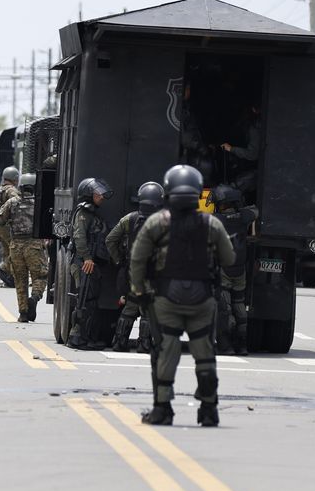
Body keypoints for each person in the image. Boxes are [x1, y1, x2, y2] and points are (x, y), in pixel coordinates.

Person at [129, 165, 235, 427]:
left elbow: (138, 259)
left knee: (166, 350)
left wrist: (139, 291)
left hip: (166, 298)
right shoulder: (212, 224)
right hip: (203, 299)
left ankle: (162, 409)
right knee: (204, 353)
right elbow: (229, 258)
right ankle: (209, 409)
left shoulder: (157, 222)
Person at [106, 182, 165, 352]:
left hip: (132, 270)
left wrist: (119, 260)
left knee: (131, 305)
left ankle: (119, 342)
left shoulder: (129, 219)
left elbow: (110, 240)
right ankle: (144, 344)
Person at [66, 177, 113, 350]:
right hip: (83, 262)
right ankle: (77, 338)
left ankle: (84, 337)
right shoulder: (83, 213)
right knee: (84, 300)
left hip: (89, 261)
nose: (101, 197)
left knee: (90, 300)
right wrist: (86, 257)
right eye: (97, 194)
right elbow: (79, 236)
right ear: (88, 194)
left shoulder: (92, 213)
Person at [211, 184, 257, 356]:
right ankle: (242, 346)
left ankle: (226, 346)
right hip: (240, 271)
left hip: (224, 270)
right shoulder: (244, 217)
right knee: (239, 306)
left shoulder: (216, 220)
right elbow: (256, 211)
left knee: (225, 309)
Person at [0, 173, 48, 322]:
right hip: (34, 245)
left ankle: (23, 314)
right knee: (41, 276)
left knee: (20, 280)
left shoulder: (12, 202)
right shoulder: (40, 203)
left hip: (16, 246)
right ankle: (35, 297)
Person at [0, 167, 21, 285]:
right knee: (15, 251)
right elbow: (17, 205)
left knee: (7, 251)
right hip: (8, 225)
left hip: (0, 225)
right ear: (14, 178)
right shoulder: (11, 190)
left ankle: (9, 276)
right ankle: (3, 269)